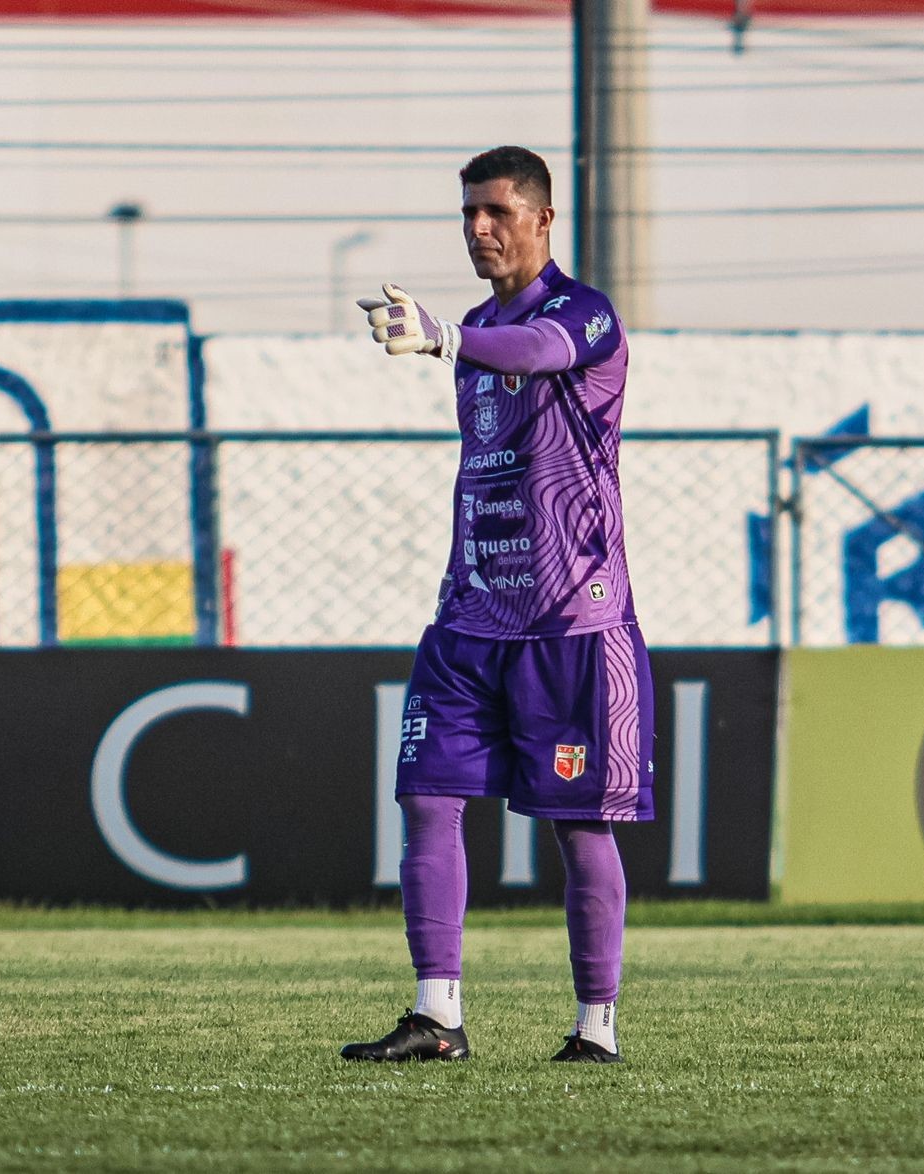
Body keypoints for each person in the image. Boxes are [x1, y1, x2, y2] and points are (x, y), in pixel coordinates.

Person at [340, 145, 654, 1065]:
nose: (481, 228)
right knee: (427, 798)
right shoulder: (473, 328)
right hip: (471, 615)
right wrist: (453, 336)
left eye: (499, 212)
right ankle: (437, 1015)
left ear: (543, 219)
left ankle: (596, 1027)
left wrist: (444, 337)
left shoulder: (581, 314)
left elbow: (536, 351)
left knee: (578, 824)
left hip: (573, 620)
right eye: (470, 213)